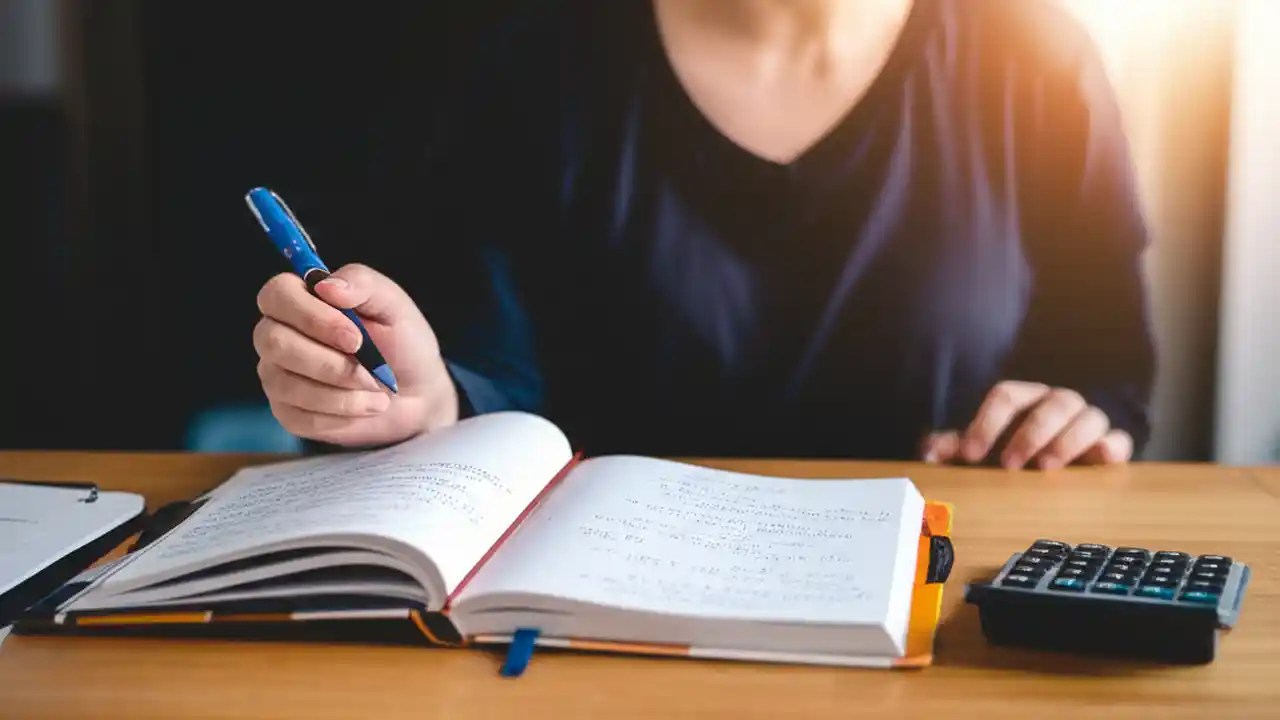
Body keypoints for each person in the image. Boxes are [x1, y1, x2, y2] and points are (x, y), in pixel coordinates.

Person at [251, 0, 1155, 469]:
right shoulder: (522, 64)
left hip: (949, 616)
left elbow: (1105, 360)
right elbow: (488, 367)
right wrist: (421, 403)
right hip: (591, 626)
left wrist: (1079, 417)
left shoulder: (1035, 54)